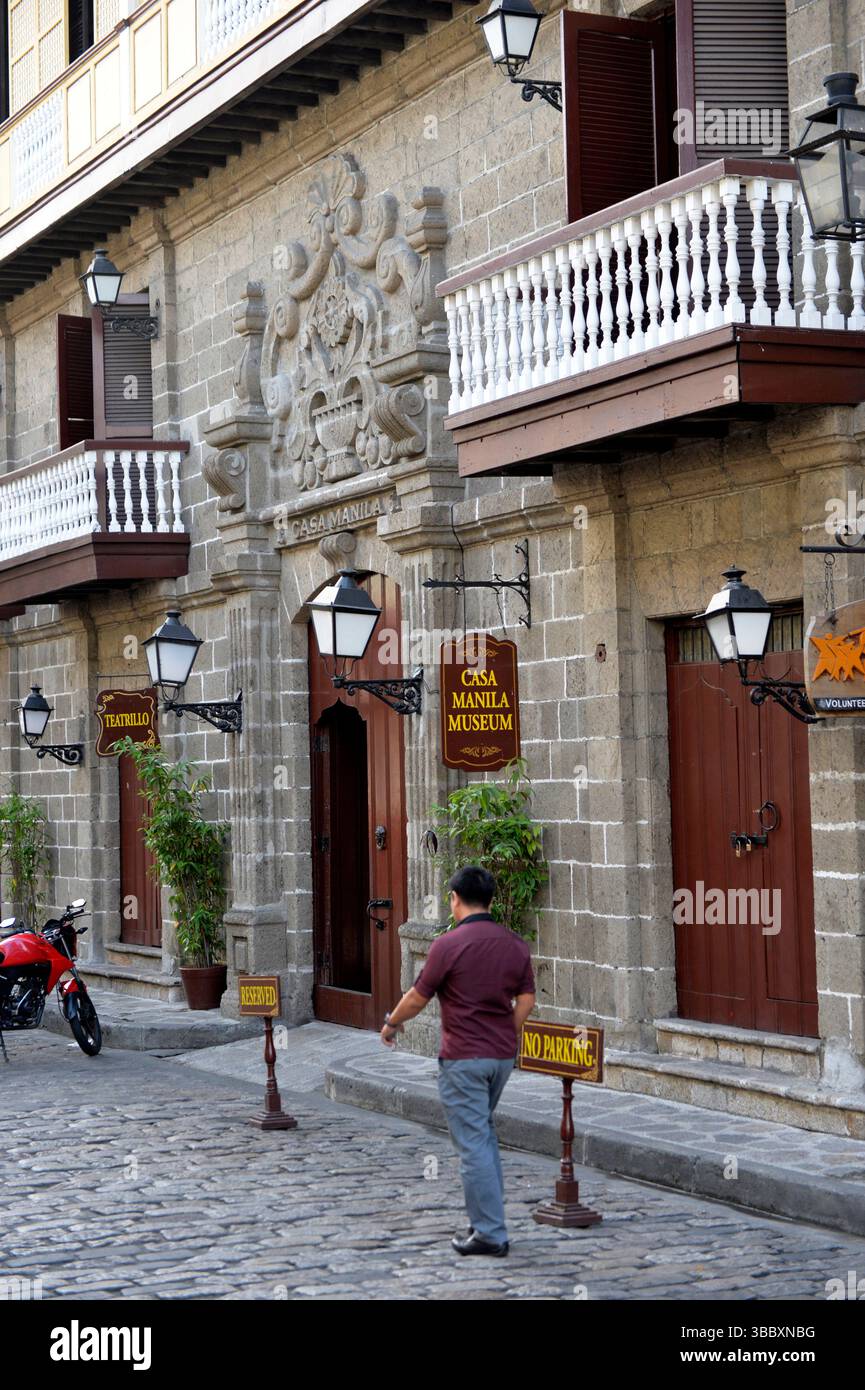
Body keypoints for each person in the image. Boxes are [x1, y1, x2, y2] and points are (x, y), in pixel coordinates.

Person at [380, 865, 536, 1257]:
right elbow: (527, 999)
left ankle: (490, 1232)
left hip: (464, 1057)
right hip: (500, 1058)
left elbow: (417, 997)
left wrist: (392, 1023)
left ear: (454, 899)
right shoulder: (514, 944)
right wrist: (507, 1031)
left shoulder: (447, 945)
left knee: (472, 1144)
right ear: (490, 900)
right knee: (484, 1134)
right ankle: (488, 1218)